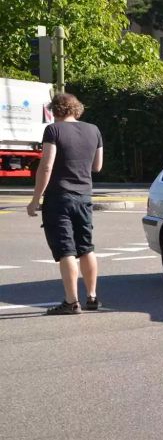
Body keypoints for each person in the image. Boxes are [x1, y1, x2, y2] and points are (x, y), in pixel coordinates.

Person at [26, 94, 104, 315]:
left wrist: (35, 200)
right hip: (84, 197)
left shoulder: (53, 130)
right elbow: (97, 166)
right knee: (86, 247)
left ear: (55, 110)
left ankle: (71, 302)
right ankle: (92, 297)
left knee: (66, 250)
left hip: (59, 198)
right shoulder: (94, 130)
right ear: (76, 109)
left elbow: (46, 166)